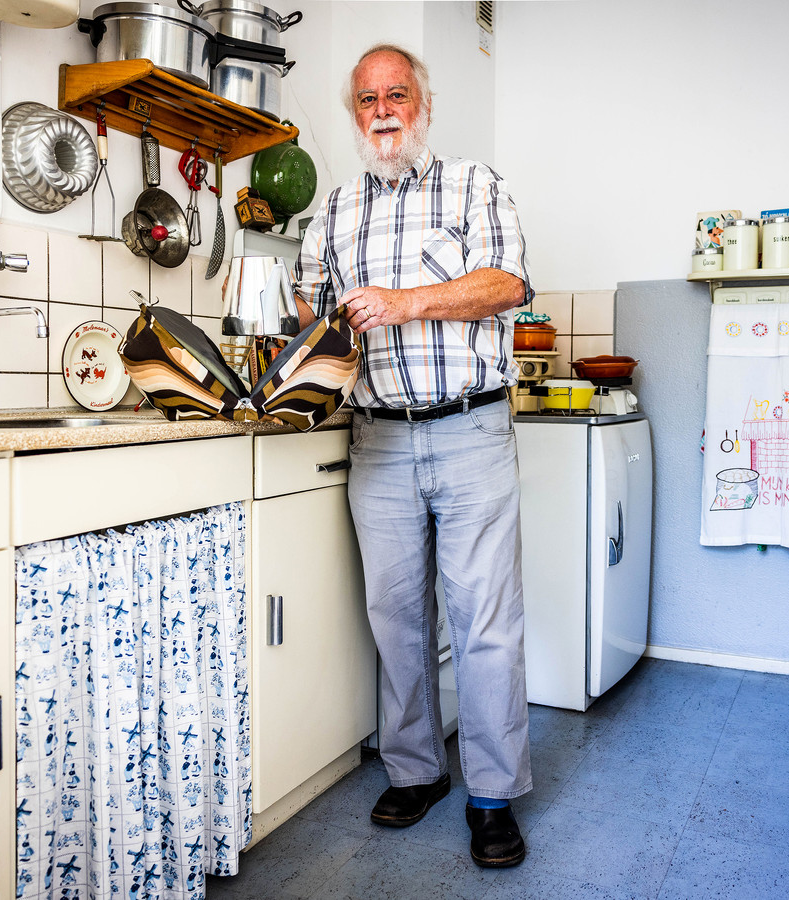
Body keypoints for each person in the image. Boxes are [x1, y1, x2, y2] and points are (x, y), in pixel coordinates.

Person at [290, 43, 533, 868]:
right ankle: (417, 769)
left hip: (470, 430)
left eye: (397, 95)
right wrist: (293, 346)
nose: (383, 110)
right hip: (379, 439)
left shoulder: (474, 185)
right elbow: (314, 316)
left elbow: (507, 284)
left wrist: (404, 303)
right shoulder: (332, 209)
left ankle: (494, 796)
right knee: (395, 622)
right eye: (367, 100)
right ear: (355, 115)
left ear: (423, 105)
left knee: (484, 626)